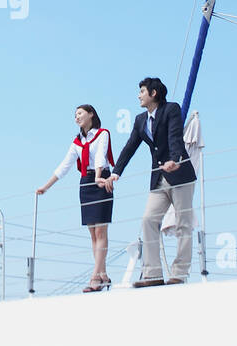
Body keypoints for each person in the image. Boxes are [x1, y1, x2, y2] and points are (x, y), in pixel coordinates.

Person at [99, 78, 196, 287]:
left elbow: (175, 138)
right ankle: (153, 274)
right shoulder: (140, 120)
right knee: (148, 220)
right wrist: (116, 173)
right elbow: (129, 147)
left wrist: (176, 159)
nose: (139, 95)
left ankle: (179, 273)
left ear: (153, 93)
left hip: (180, 175)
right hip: (159, 178)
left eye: (142, 91)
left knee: (184, 224)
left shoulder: (171, 109)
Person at [37, 105, 114, 292]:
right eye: (75, 115)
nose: (77, 117)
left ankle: (95, 276)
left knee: (101, 232)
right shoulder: (77, 142)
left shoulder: (103, 134)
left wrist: (97, 176)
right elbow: (65, 165)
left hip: (101, 179)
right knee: (92, 233)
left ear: (91, 114)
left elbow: (101, 157)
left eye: (80, 113)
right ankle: (103, 274)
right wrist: (46, 187)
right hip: (85, 183)